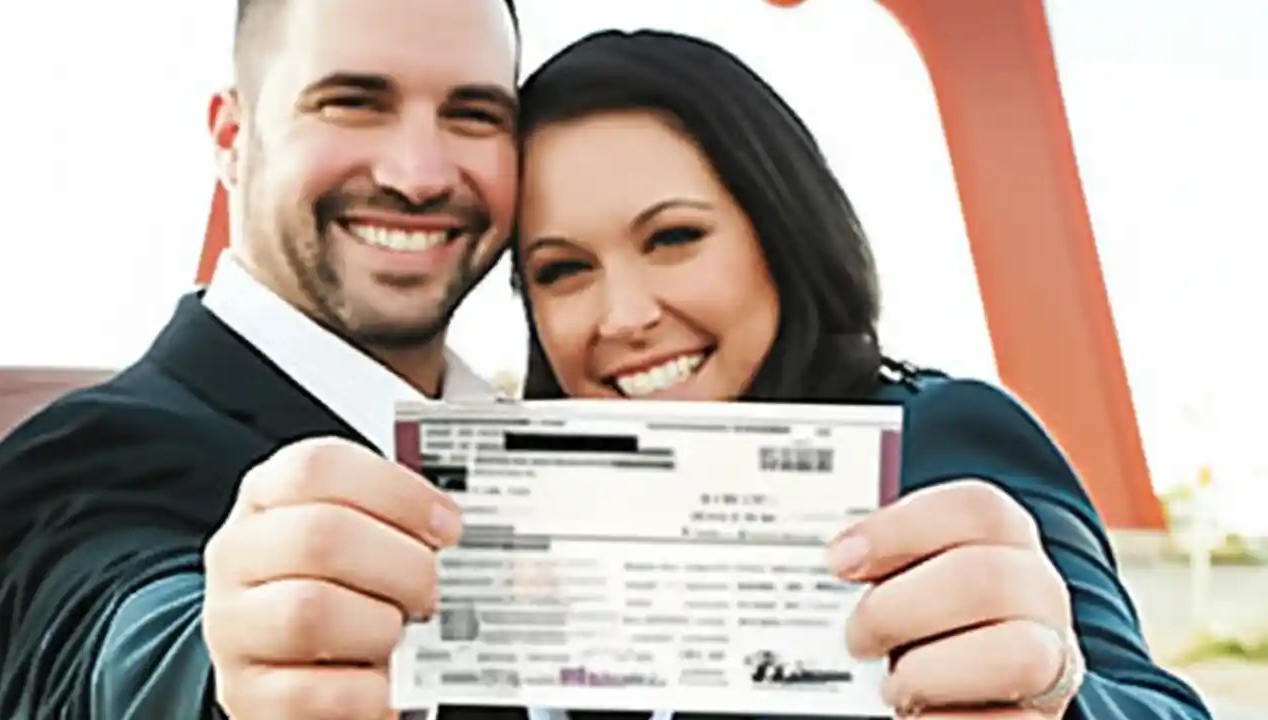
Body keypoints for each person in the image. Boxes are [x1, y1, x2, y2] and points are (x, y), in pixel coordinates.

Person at [510, 29, 1213, 719]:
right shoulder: (512, 534)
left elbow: (1158, 708)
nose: (624, 315)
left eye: (673, 239)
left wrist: (1055, 693)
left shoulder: (935, 443)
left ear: (778, 230)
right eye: (563, 270)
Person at [0, 0, 522, 718]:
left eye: (474, 115)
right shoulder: (82, 459)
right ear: (232, 136)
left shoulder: (552, 462)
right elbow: (92, 634)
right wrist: (220, 672)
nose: (419, 175)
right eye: (353, 104)